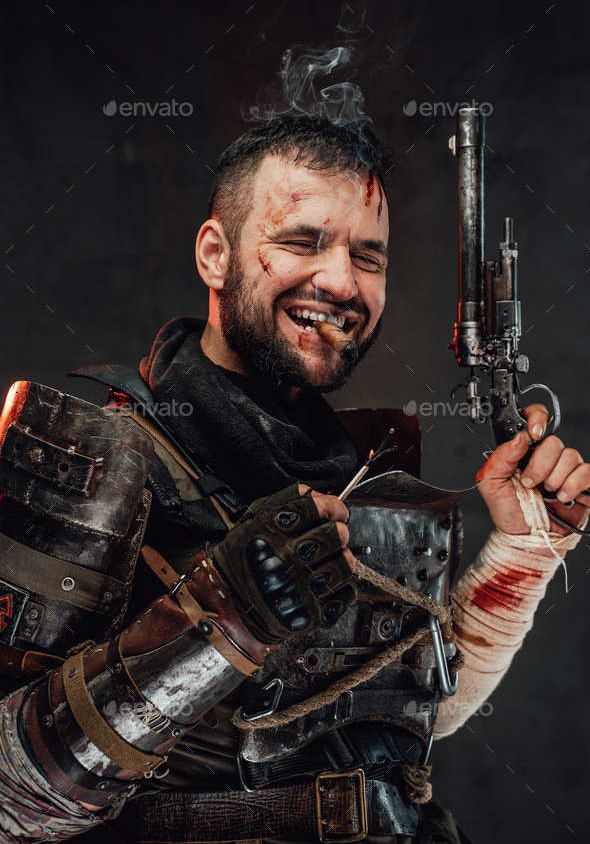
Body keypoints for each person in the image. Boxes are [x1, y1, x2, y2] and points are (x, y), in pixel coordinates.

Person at [1, 116, 589, 844]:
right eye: (302, 241)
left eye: (367, 256)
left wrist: (523, 554)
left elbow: (391, 727)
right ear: (216, 254)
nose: (341, 281)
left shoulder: (364, 467)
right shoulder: (99, 458)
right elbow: (10, 796)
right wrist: (223, 616)